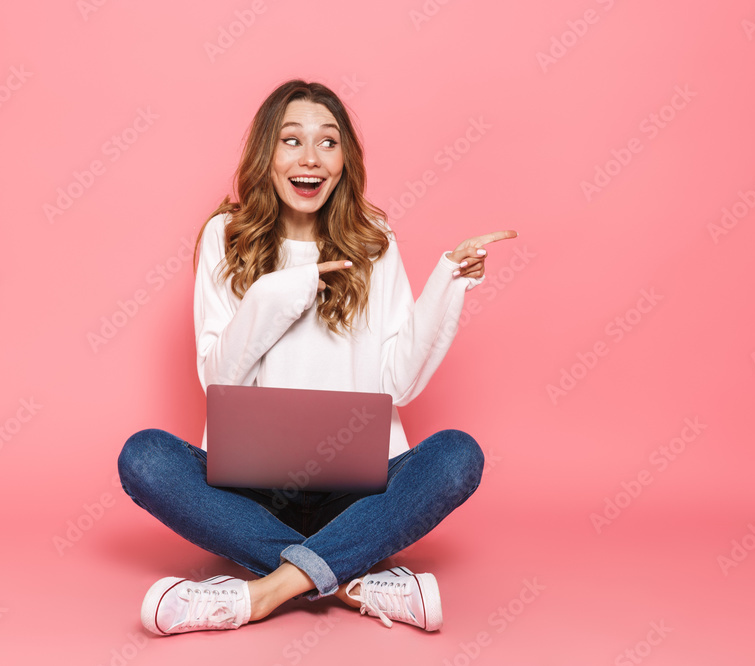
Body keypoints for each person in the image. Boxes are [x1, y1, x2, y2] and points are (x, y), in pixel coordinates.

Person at [117, 79, 517, 635]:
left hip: (356, 494)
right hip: (252, 494)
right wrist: (279, 293)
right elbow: (218, 378)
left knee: (457, 457)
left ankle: (264, 593)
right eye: (291, 141)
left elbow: (397, 382)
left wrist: (448, 280)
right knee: (144, 459)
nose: (310, 159)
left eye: (328, 143)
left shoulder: (372, 237)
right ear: (267, 153)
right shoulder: (225, 236)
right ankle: (352, 578)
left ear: (345, 158)